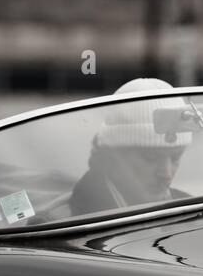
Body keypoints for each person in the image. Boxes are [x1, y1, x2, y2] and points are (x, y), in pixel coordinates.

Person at [70, 78, 192, 216]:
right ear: (111, 156)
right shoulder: (62, 225)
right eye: (150, 158)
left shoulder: (195, 213)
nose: (167, 174)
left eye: (176, 157)